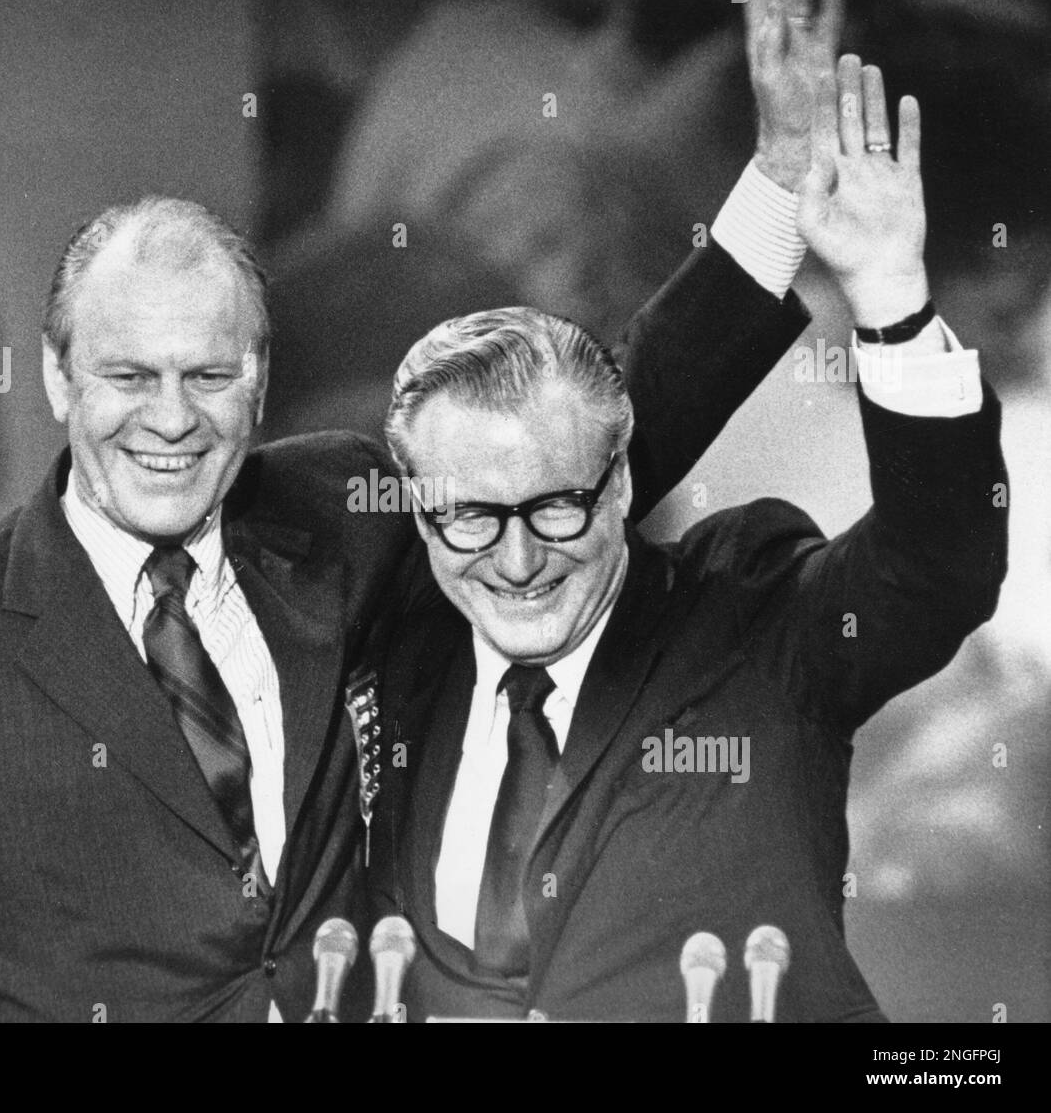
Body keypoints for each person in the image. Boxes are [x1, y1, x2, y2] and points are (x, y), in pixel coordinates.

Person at [0, 0, 830, 1022]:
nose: (170, 419)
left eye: (209, 376)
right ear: (58, 381)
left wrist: (777, 189)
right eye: (129, 376)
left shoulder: (336, 516)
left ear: (261, 384)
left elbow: (598, 429)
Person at [366, 55, 1009, 1022]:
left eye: (557, 507)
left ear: (623, 481)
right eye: (469, 517)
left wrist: (888, 293)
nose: (517, 559)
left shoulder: (747, 621)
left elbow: (936, 566)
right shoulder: (385, 667)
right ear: (421, 514)